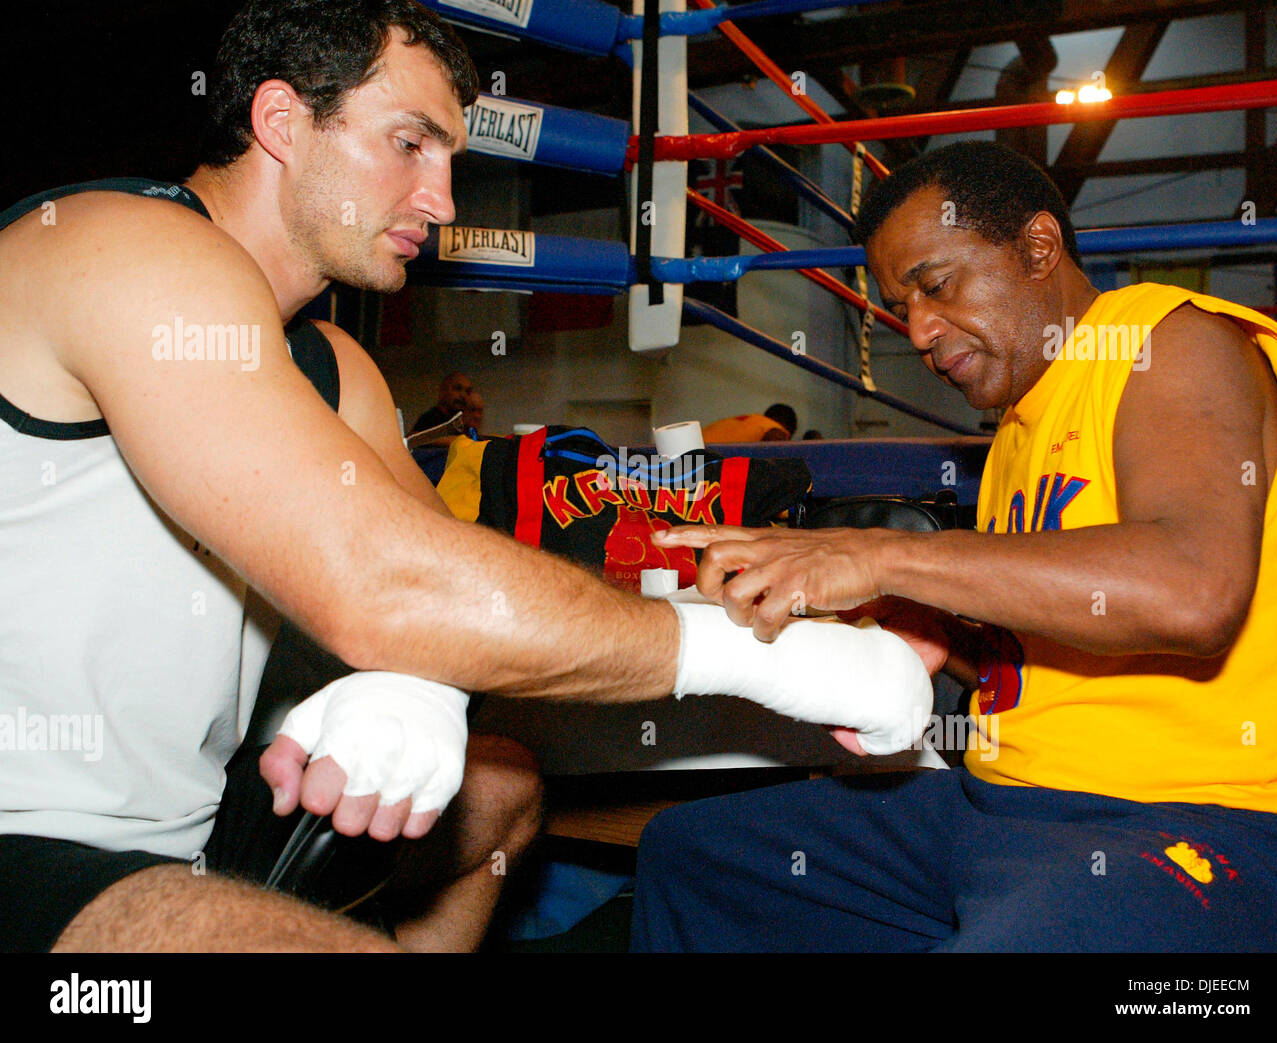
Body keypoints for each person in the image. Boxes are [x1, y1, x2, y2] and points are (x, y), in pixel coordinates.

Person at [0, 0, 925, 953]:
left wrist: (424, 688)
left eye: (450, 159)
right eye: (410, 144)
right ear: (281, 123)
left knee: (498, 788)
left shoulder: (333, 367)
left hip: (185, 827)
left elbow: (439, 573)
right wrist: (776, 660)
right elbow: (384, 585)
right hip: (23, 835)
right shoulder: (119, 247)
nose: (443, 202)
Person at [633, 141, 1277, 952]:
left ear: (1037, 248)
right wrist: (926, 626)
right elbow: (1043, 651)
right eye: (897, 306)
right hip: (996, 804)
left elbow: (1191, 592)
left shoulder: (1165, 340)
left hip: (1190, 817)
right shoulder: (1015, 432)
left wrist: (882, 555)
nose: (916, 329)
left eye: (935, 286)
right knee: (695, 855)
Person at [702, 402, 797, 442]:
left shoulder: (752, 421)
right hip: (700, 465)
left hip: (692, 457)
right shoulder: (775, 430)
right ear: (788, 427)